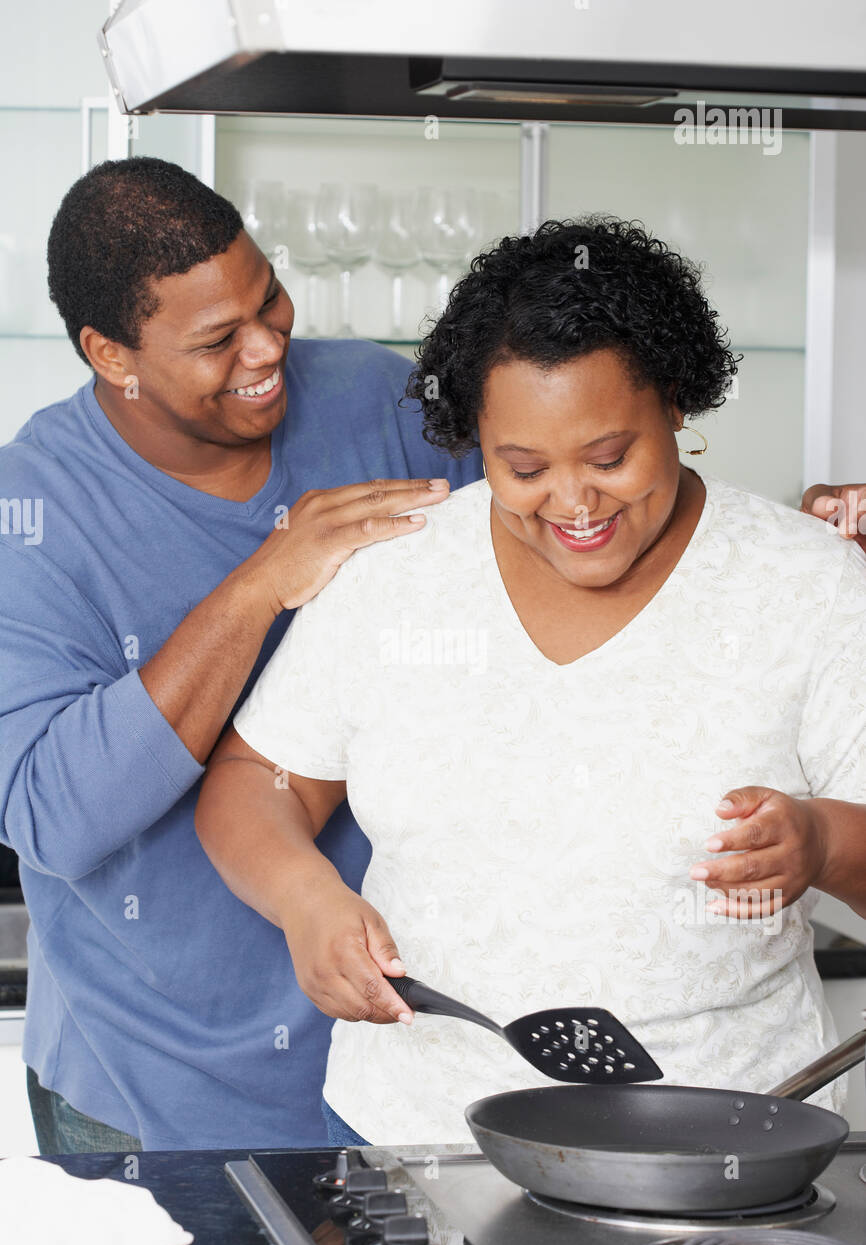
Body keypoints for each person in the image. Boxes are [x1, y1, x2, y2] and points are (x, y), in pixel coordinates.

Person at [196, 217, 866, 1147]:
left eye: (609, 457)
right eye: (523, 468)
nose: (575, 503)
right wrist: (305, 900)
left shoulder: (810, 581)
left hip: (729, 1145)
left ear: (675, 403)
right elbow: (252, 784)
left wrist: (824, 841)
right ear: (477, 437)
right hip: (415, 1137)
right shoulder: (399, 572)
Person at [0, 156, 479, 1154]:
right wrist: (265, 581)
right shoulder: (33, 513)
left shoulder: (383, 403)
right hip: (150, 1106)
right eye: (218, 340)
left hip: (404, 1075)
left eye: (269, 300)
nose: (267, 347)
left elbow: (559, 541)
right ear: (110, 353)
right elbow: (53, 815)